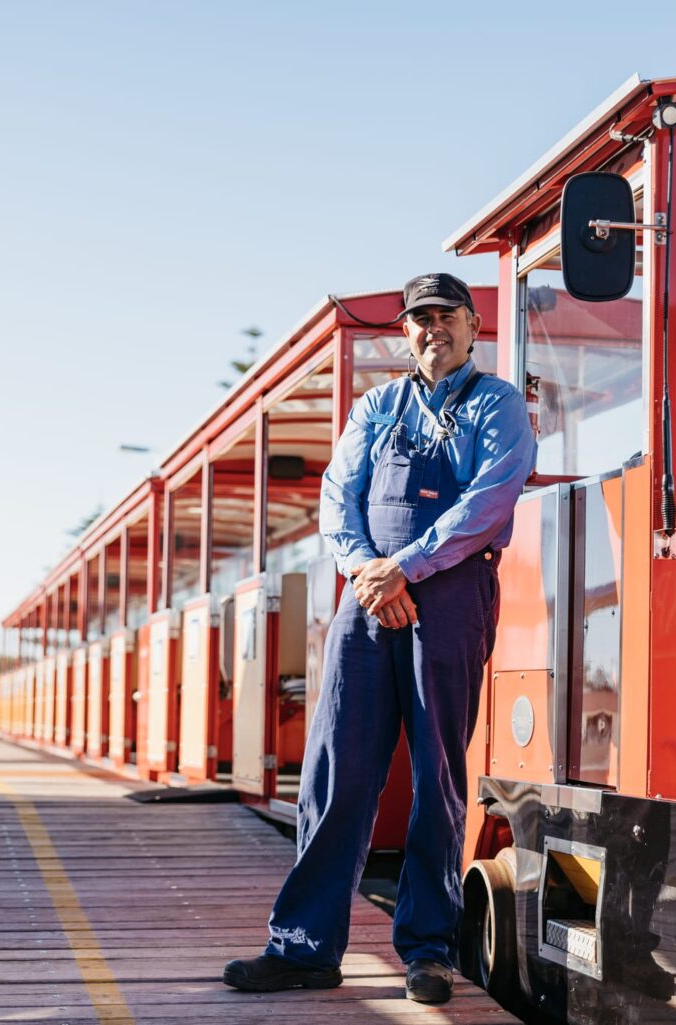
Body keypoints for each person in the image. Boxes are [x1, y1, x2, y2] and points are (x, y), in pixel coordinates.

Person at [222, 273, 536, 1004]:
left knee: (437, 776)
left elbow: (490, 500)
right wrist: (368, 570)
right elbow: (339, 495)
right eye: (420, 318)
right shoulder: (376, 405)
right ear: (406, 332)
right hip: (366, 600)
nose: (434, 327)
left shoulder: (498, 405)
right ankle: (303, 945)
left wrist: (405, 568)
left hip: (449, 597)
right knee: (336, 770)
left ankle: (428, 951)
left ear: (473, 325)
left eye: (447, 314)